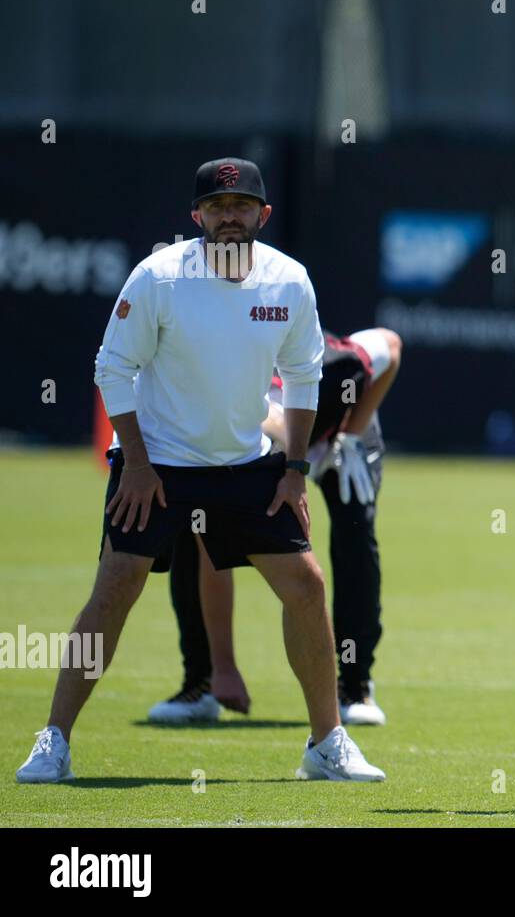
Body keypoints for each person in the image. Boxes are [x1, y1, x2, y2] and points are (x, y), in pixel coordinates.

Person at [16, 157, 384, 783]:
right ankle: (53, 739)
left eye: (241, 206)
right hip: (157, 464)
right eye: (217, 208)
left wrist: (295, 468)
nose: (229, 217)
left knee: (307, 585)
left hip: (246, 464)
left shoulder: (290, 281)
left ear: (263, 215)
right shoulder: (158, 276)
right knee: (115, 587)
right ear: (197, 217)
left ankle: (327, 744)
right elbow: (112, 369)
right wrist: (133, 462)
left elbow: (301, 379)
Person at [147, 327, 402, 726]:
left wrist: (351, 438)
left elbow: (391, 344)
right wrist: (226, 668)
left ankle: (355, 684)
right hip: (280, 443)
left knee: (355, 525)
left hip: (345, 426)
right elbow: (213, 555)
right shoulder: (223, 427)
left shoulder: (337, 370)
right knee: (190, 525)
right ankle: (202, 680)